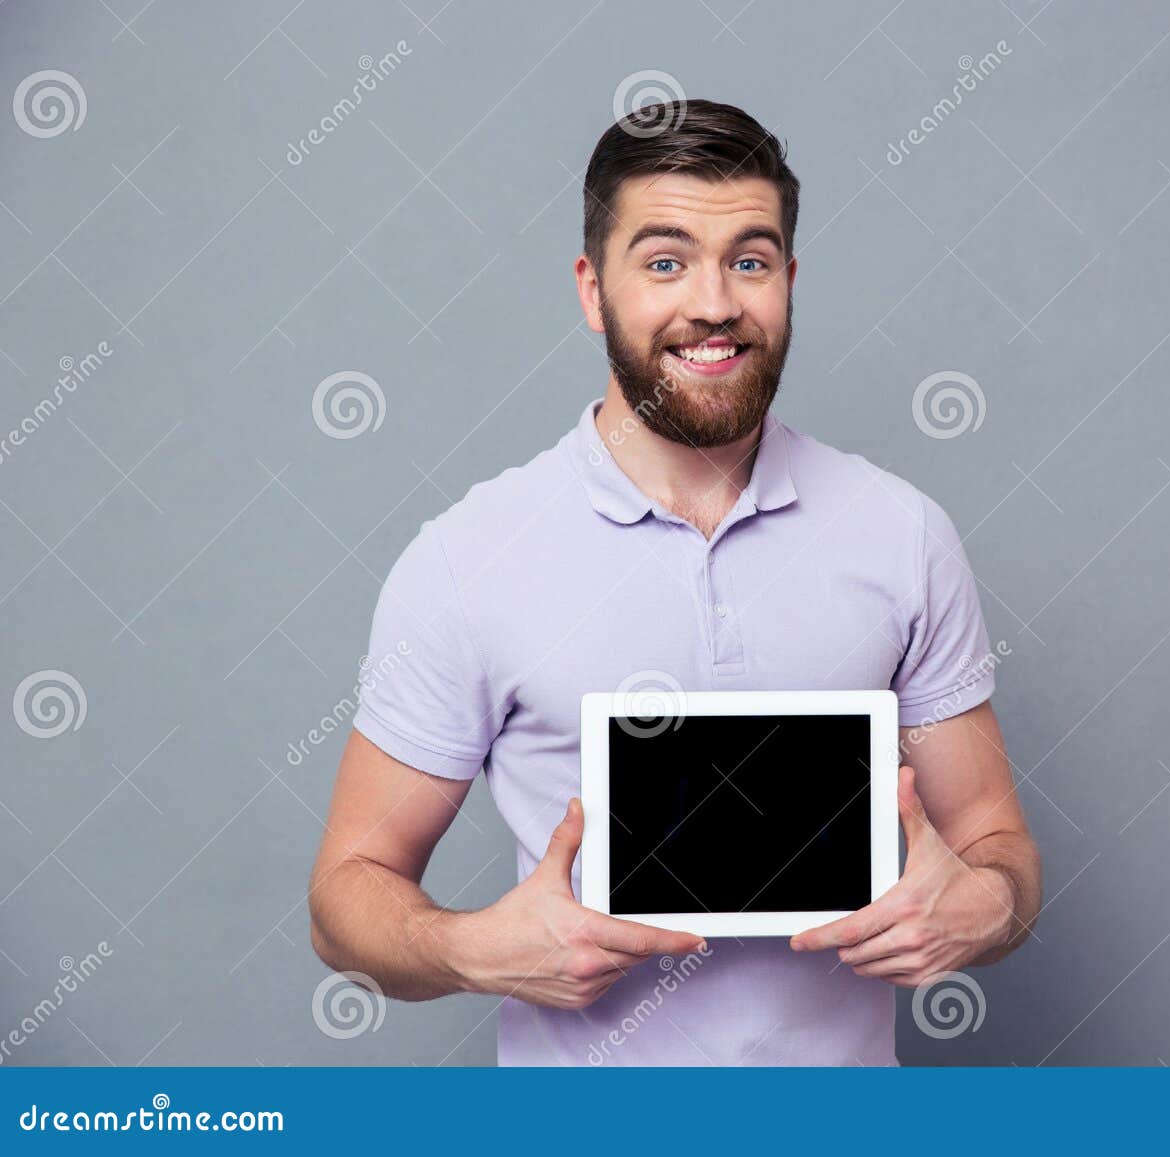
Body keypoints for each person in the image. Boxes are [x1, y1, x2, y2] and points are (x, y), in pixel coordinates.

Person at [307, 98, 1040, 1065]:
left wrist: (981, 905)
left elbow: (998, 845)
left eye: (751, 258)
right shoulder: (467, 558)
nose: (715, 303)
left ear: (788, 279)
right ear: (590, 289)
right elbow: (345, 899)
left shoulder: (903, 534)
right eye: (664, 261)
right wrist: (471, 948)